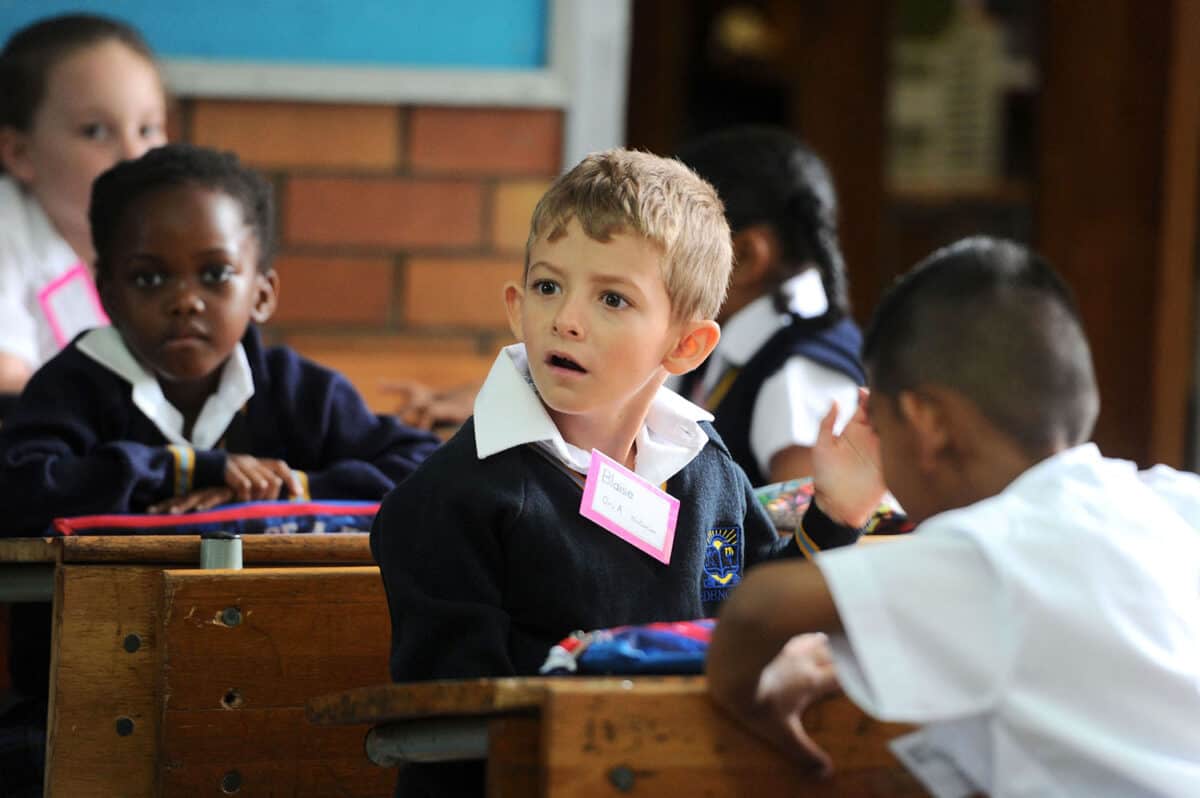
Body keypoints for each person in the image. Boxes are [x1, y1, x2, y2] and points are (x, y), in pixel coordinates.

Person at [370, 148, 861, 796]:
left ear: (686, 345)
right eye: (548, 287)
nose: (566, 319)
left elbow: (765, 614)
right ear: (517, 306)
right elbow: (458, 724)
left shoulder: (706, 469)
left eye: (611, 298)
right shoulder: (449, 501)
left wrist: (839, 513)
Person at [707, 237, 1200, 796]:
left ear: (928, 424)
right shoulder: (1173, 502)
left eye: (883, 428)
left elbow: (757, 607)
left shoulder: (989, 551)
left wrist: (756, 709)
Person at [0, 143, 442, 535]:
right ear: (108, 295)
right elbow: (20, 487)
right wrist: (192, 471)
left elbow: (428, 470)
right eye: (148, 277)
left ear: (261, 295)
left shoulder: (299, 391)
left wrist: (290, 489)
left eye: (215, 273)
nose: (185, 301)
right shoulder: (73, 386)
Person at [672, 126, 865, 486]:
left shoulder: (799, 374)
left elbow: (810, 525)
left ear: (744, 256)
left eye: (672, 243)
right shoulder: (730, 345)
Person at [0, 13, 168, 395]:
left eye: (148, 129)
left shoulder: (164, 239)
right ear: (20, 153)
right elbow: (6, 390)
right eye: (96, 131)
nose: (133, 154)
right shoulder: (5, 228)